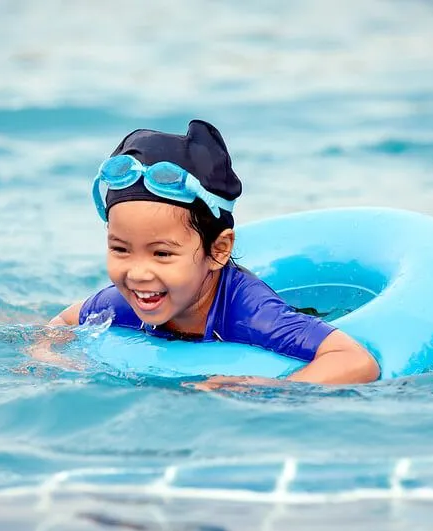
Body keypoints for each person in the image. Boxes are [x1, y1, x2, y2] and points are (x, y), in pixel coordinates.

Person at [44, 120, 379, 387]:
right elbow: (66, 320)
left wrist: (267, 387)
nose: (137, 273)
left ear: (218, 250)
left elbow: (355, 360)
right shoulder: (128, 300)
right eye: (120, 249)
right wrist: (46, 354)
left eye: (161, 254)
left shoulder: (252, 313)